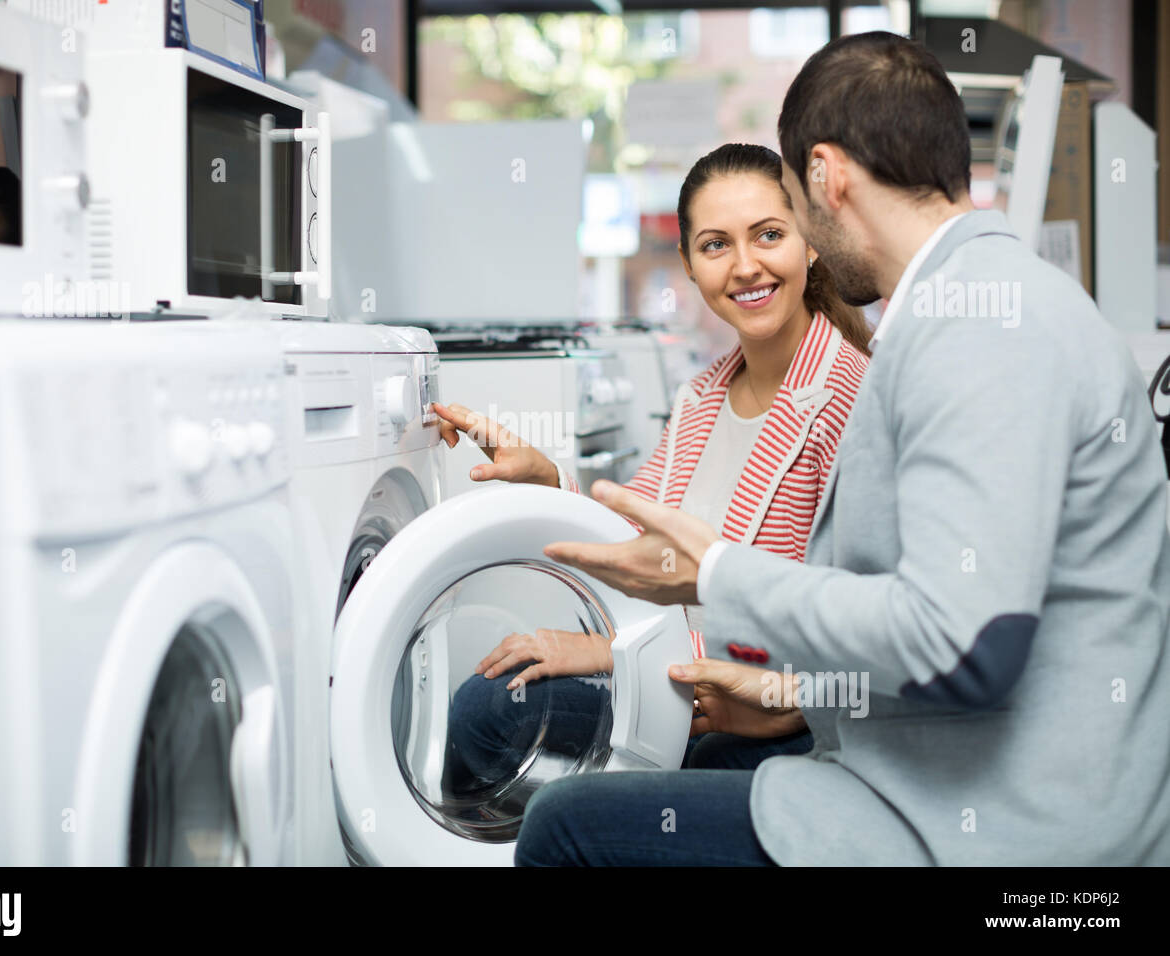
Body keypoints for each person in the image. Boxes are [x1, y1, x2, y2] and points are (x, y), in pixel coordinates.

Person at [516, 30, 1170, 866]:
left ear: (824, 175)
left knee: (566, 827)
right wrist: (799, 691)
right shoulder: (961, 305)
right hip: (934, 775)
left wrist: (718, 574)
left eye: (789, 202)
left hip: (1000, 831)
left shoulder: (978, 325)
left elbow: (962, 646)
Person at [433, 143, 870, 795]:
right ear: (691, 267)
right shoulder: (703, 397)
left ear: (811, 244)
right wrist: (546, 482)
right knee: (488, 705)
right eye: (717, 245)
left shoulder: (850, 399)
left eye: (769, 235)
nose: (746, 265)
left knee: (534, 769)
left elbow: (861, 622)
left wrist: (608, 655)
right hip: (686, 694)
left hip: (784, 729)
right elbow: (641, 546)